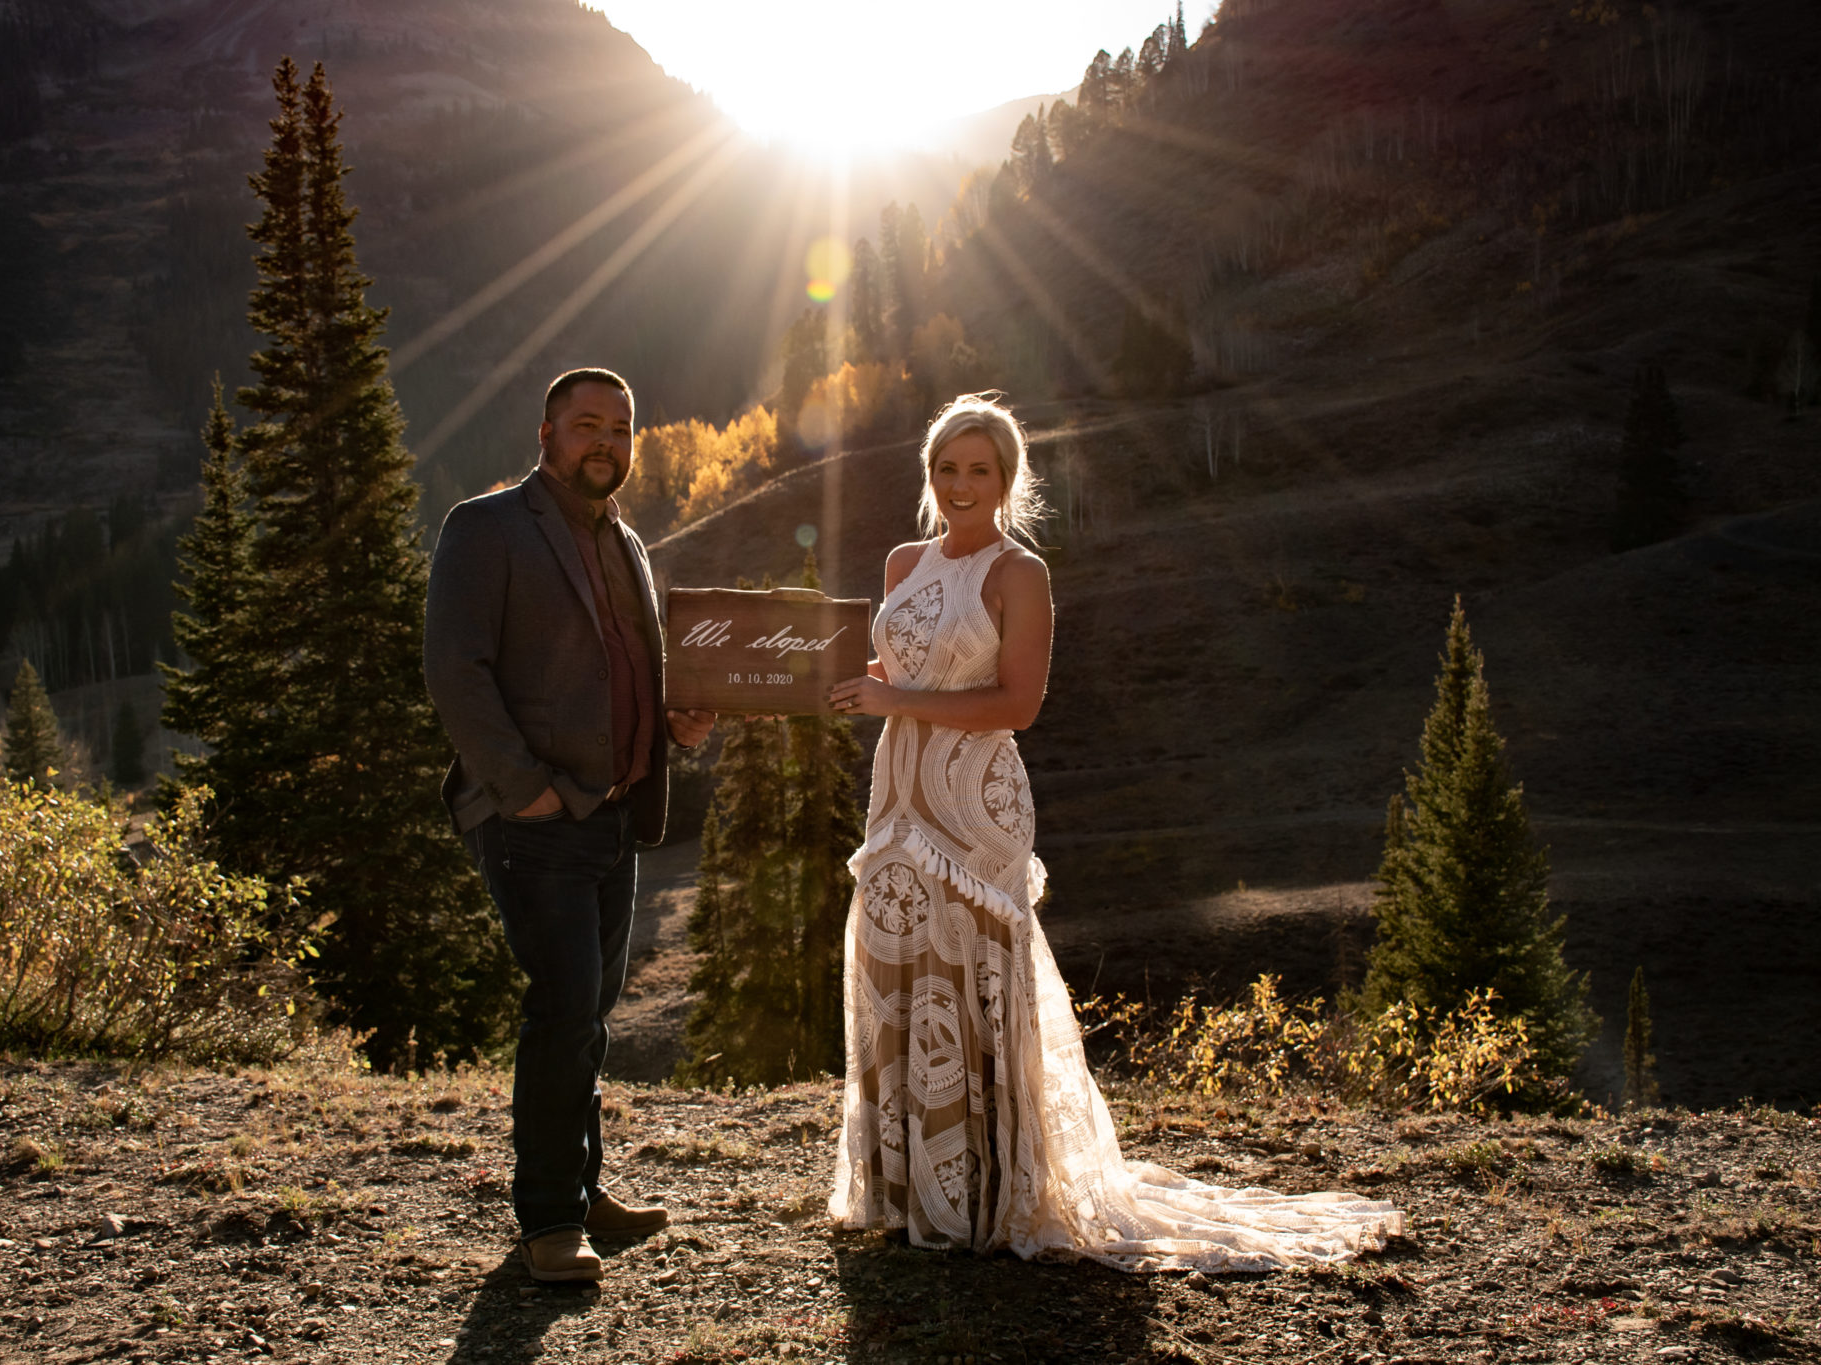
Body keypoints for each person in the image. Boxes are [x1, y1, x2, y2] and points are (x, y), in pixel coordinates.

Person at [825, 394, 1403, 1271]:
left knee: (971, 976)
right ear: (929, 475)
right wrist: (824, 674)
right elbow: (905, 667)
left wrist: (894, 698)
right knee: (897, 964)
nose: (961, 484)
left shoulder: (1022, 573)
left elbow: (1017, 703)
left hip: (976, 806)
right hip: (898, 797)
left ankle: (981, 1198)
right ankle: (907, 1195)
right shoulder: (905, 558)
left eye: (981, 469)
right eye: (947, 468)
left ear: (1008, 477)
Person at [425, 367, 715, 1284]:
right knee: (561, 1011)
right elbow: (455, 669)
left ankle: (583, 1189)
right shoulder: (487, 527)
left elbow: (618, 670)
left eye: (621, 427)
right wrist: (529, 791)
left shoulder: (626, 542)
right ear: (545, 434)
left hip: (615, 813)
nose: (606, 441)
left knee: (586, 1012)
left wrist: (672, 724)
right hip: (537, 818)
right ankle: (550, 1220)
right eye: (587, 424)